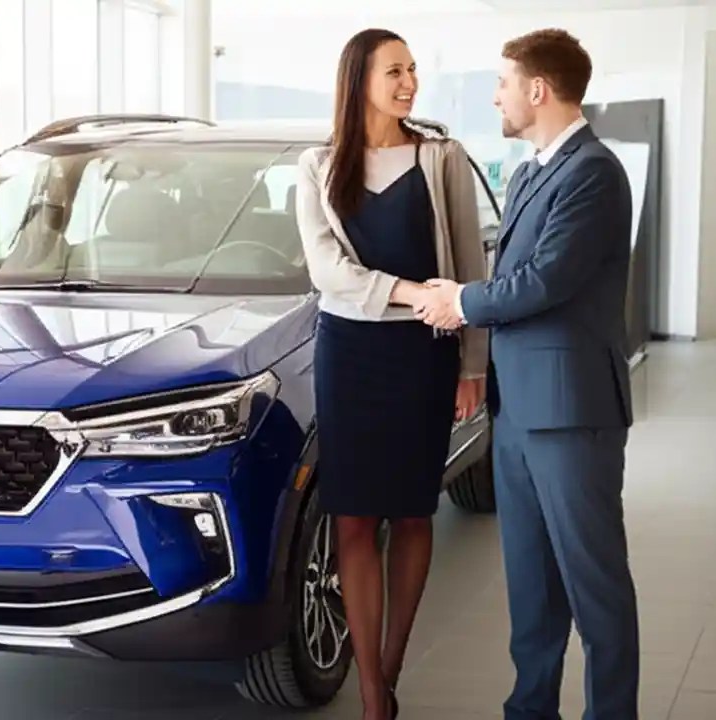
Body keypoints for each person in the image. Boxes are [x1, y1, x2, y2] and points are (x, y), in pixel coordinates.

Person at [417, 29, 639, 720]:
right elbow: (515, 273)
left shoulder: (593, 172)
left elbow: (544, 280)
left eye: (504, 83)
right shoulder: (533, 170)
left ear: (537, 89)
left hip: (573, 412)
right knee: (532, 586)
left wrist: (458, 302)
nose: (497, 97)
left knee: (594, 587)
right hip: (520, 413)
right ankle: (531, 708)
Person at [294, 29, 488, 720]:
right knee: (352, 518)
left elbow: (470, 268)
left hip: (424, 359)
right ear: (358, 81)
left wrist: (472, 364)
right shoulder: (317, 167)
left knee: (412, 513)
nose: (409, 81)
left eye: (412, 69)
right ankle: (373, 691)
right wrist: (413, 293)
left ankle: (388, 669)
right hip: (350, 355)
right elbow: (329, 275)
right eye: (395, 71)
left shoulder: (442, 157)